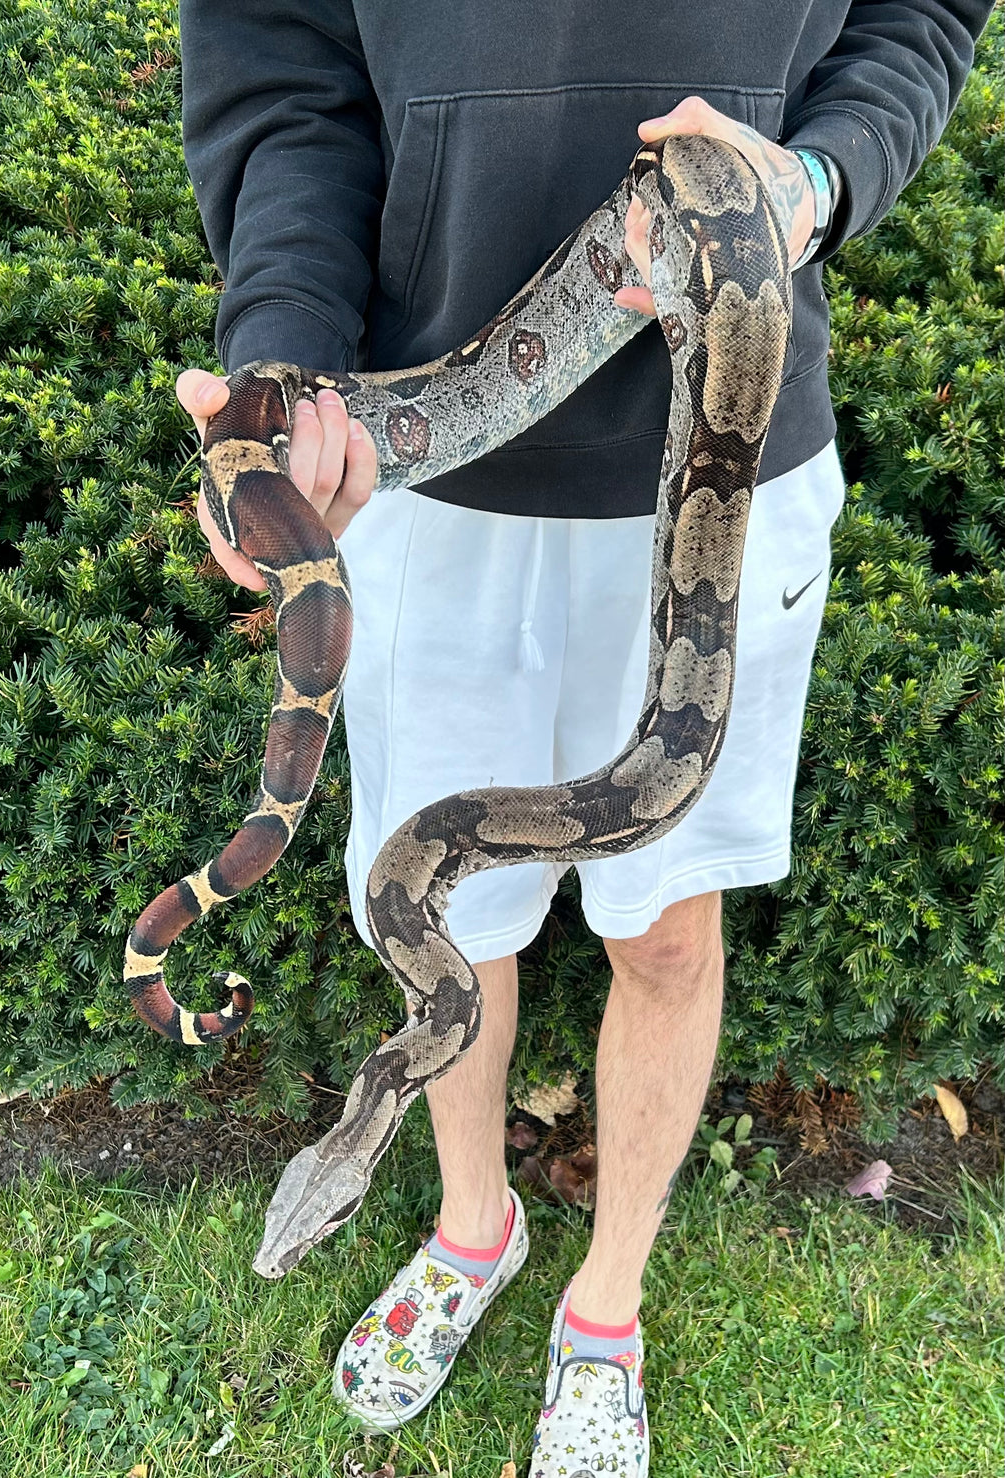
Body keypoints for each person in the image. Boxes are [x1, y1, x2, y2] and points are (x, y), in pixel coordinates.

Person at [175, 4, 992, 1471]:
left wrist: (815, 182)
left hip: (730, 453)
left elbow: (919, 14)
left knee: (670, 930)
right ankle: (472, 1227)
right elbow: (279, 62)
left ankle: (604, 1300)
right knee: (443, 918)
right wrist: (285, 362)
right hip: (419, 477)